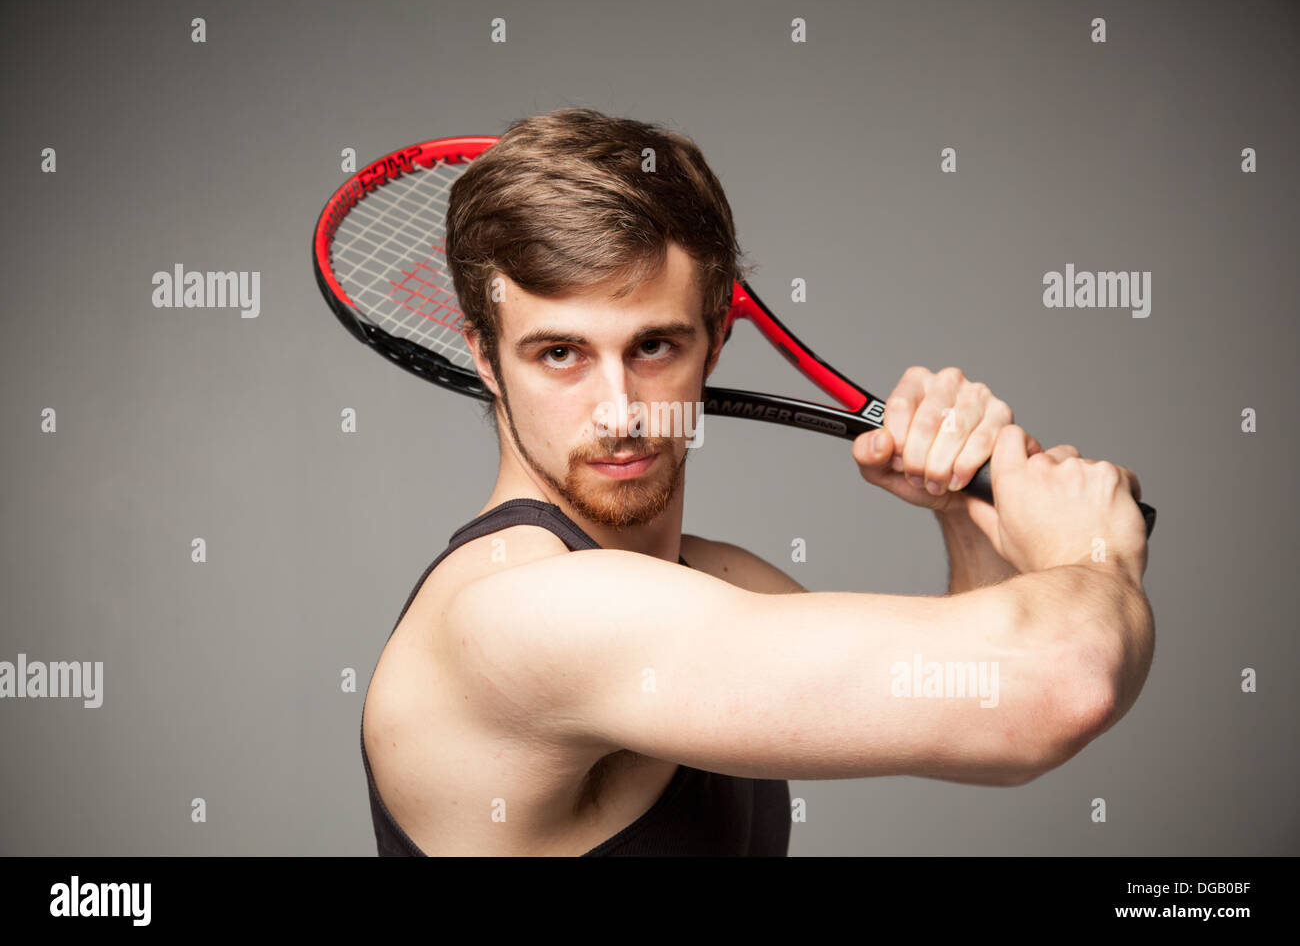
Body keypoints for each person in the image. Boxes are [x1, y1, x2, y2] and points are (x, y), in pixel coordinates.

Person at [359, 108, 1154, 856]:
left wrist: (963, 517)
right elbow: (1061, 683)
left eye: (654, 347)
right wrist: (1096, 557)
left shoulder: (719, 582)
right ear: (484, 358)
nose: (619, 413)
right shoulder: (514, 615)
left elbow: (986, 734)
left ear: (714, 341)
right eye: (559, 354)